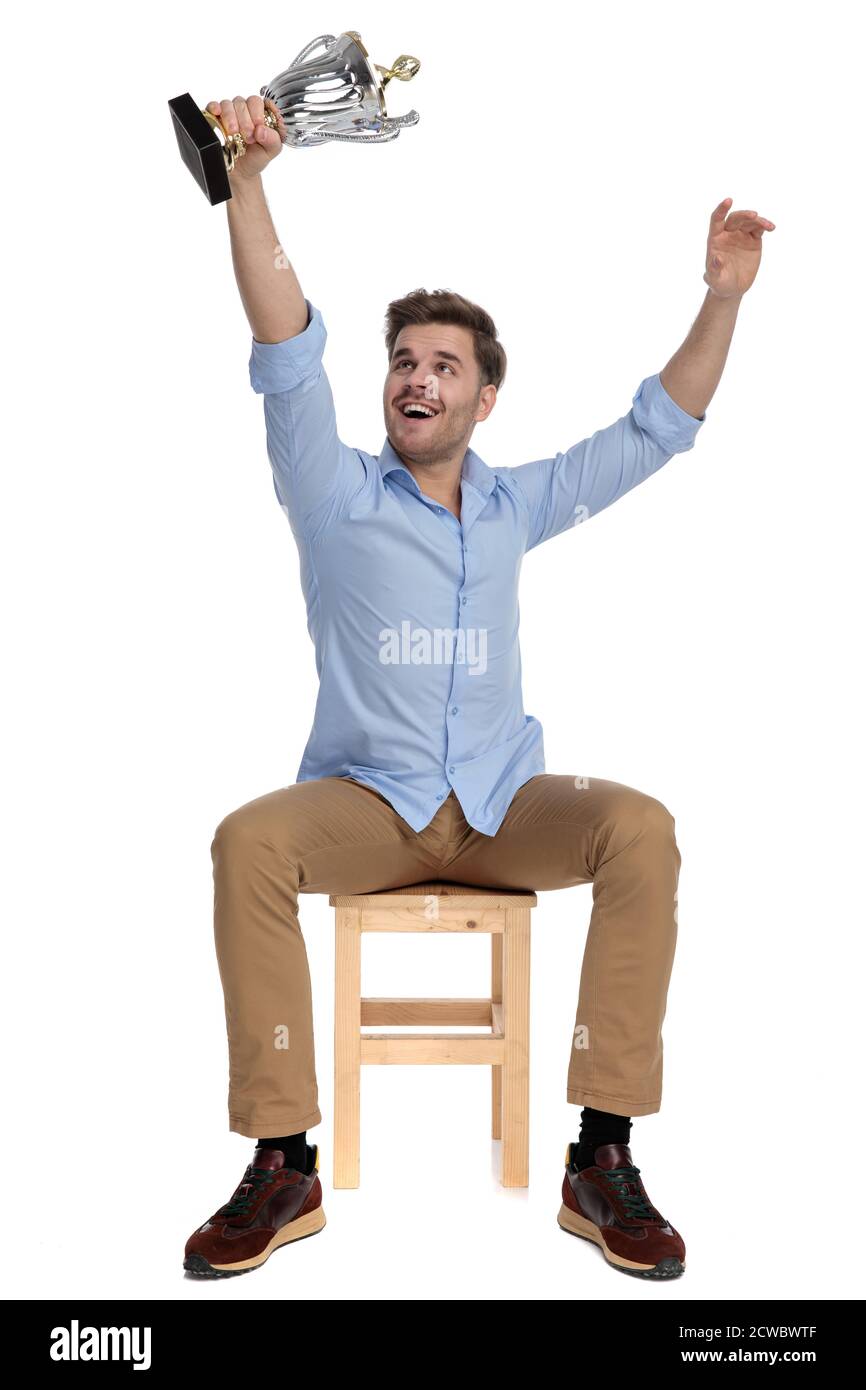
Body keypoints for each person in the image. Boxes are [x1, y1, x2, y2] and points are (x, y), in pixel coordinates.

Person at [183, 94, 775, 1281]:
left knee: (640, 829)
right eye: (403, 362)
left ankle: (599, 1156)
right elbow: (286, 344)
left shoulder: (518, 504)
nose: (415, 379)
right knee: (247, 840)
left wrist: (719, 298)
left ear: (481, 399)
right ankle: (281, 1160)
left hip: (503, 806)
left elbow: (658, 429)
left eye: (442, 367)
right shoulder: (331, 488)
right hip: (366, 805)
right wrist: (247, 186)